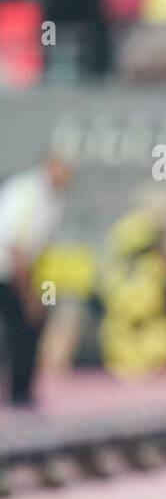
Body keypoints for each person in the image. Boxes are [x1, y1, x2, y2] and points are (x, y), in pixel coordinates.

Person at [0, 149, 72, 406]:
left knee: (27, 329)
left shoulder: (53, 199)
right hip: (8, 272)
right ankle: (19, 393)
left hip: (19, 272)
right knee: (22, 328)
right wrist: (30, 296)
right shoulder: (28, 195)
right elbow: (16, 250)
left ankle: (21, 392)